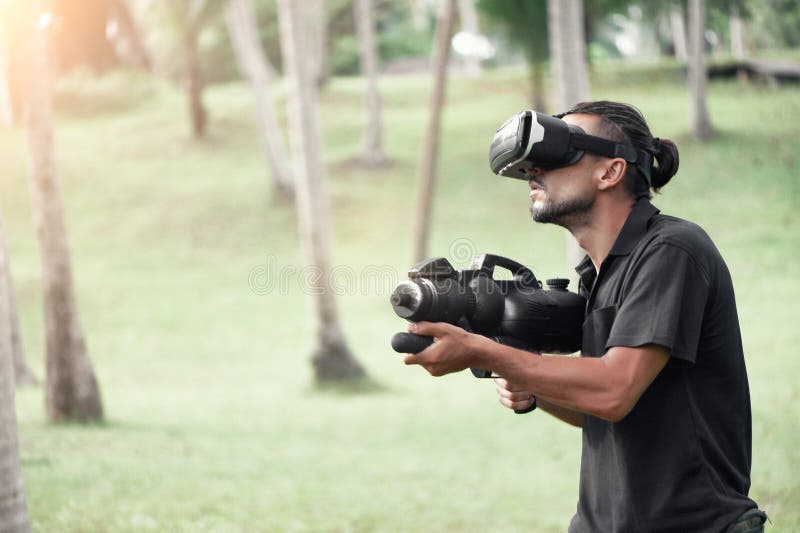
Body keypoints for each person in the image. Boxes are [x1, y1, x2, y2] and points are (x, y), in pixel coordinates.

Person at [402, 101, 766, 532]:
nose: (535, 170)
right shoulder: (597, 275)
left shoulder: (672, 250)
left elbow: (615, 390)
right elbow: (603, 409)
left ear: (610, 172)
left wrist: (485, 353)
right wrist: (533, 386)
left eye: (556, 154)